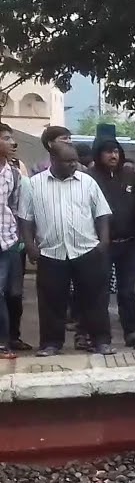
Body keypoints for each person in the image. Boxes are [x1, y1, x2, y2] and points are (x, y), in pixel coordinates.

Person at [18, 140, 115, 356]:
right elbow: (25, 219)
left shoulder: (87, 182)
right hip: (51, 252)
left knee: (95, 299)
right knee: (51, 300)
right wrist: (30, 245)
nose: (74, 165)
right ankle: (51, 343)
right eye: (68, 161)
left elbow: (102, 213)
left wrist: (104, 242)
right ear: (53, 160)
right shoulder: (34, 184)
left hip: (86, 249)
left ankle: (101, 341)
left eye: (75, 161)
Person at [87, 129, 135, 346]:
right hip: (102, 245)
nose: (113, 156)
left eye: (116, 151)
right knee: (99, 290)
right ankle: (100, 336)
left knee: (127, 290)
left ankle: (131, 333)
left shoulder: (130, 176)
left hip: (130, 243)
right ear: (98, 154)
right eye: (107, 152)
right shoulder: (89, 178)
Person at [0, 124, 30, 351]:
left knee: (14, 293)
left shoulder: (14, 173)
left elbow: (18, 207)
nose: (13, 143)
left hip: (10, 241)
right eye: (7, 138)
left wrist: (21, 239)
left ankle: (13, 337)